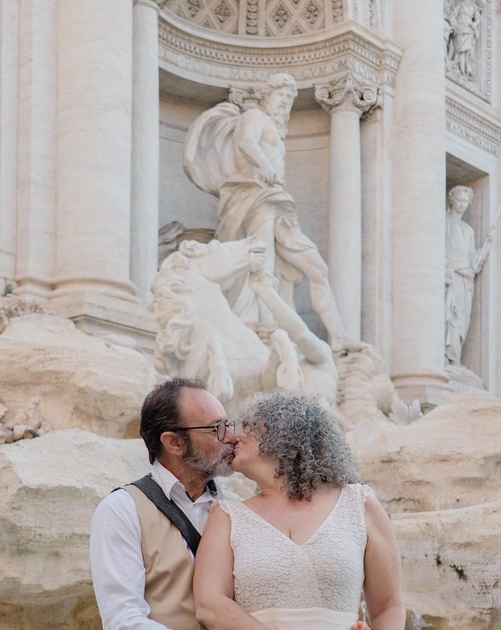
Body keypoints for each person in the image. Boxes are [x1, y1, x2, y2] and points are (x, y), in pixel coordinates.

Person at [193, 392, 404, 629]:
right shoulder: (226, 516)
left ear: (285, 433)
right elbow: (209, 605)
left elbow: (389, 606)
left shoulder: (359, 503)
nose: (234, 437)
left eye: (249, 426)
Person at [184, 73, 362, 353]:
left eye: (290, 100)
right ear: (268, 95)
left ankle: (338, 335)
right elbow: (245, 141)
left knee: (317, 268)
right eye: (282, 97)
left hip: (278, 202)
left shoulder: (277, 131)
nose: (286, 104)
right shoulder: (254, 116)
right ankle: (258, 325)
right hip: (255, 196)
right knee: (261, 260)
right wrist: (264, 163)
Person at [89, 378, 239, 629]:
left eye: (228, 425)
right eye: (216, 429)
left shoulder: (237, 508)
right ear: (174, 443)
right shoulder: (122, 509)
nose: (232, 438)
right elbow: (122, 619)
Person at [444, 185, 495, 366]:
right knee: (450, 316)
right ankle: (446, 356)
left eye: (466, 201)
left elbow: (474, 261)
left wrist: (488, 241)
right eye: (459, 200)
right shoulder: (444, 222)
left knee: (460, 323)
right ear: (451, 199)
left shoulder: (468, 230)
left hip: (465, 281)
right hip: (450, 277)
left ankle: (454, 358)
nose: (462, 204)